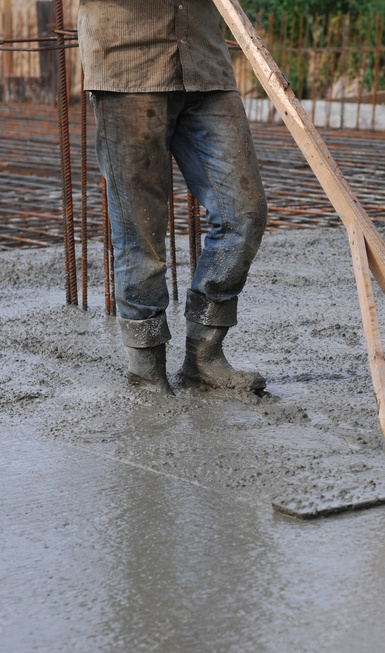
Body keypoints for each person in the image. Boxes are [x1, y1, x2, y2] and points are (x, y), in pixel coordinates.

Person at [78, 0, 268, 395]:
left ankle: (205, 359)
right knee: (141, 234)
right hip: (128, 65)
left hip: (205, 65)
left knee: (244, 214)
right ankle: (146, 370)